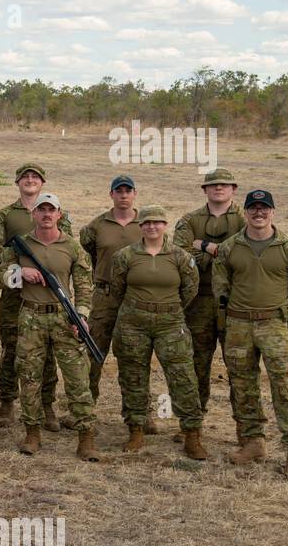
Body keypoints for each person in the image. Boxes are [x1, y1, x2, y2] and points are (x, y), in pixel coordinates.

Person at [214, 189, 288, 480]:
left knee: (284, 386)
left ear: (272, 211)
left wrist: (284, 319)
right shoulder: (230, 248)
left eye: (264, 207)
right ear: (245, 212)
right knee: (243, 386)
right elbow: (221, 288)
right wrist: (231, 320)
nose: (259, 212)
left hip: (274, 325)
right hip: (238, 325)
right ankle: (253, 442)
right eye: (254, 208)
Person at [0, 192, 98, 462]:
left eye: (52, 210)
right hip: (31, 317)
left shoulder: (72, 247)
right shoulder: (20, 246)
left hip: (65, 317)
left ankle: (86, 437)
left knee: (77, 378)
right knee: (29, 377)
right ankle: (32, 433)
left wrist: (82, 315)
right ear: (34, 214)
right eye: (42, 210)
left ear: (59, 215)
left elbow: (84, 286)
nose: (47, 214)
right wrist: (19, 273)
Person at [107, 206, 206, 459]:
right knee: (133, 376)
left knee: (183, 377)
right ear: (140, 226)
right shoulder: (125, 256)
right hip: (132, 323)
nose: (152, 227)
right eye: (147, 223)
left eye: (157, 222)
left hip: (170, 323)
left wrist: (167, 308)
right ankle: (136, 429)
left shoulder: (180, 256)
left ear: (165, 225)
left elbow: (190, 289)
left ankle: (192, 434)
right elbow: (117, 288)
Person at [0, 164, 72, 431]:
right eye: (25, 176)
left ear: (42, 182)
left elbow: (65, 249)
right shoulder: (4, 216)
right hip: (14, 295)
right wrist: (21, 272)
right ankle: (7, 399)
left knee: (46, 351)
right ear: (17, 182)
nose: (30, 180)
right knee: (12, 346)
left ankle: (47, 404)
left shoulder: (58, 213)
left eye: (35, 176)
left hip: (47, 294)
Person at [173, 168, 245, 428]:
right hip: (199, 301)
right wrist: (220, 253)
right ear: (204, 189)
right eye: (213, 185)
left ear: (233, 189)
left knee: (240, 366)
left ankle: (245, 428)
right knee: (196, 365)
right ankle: (192, 425)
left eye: (225, 184)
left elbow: (246, 254)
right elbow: (181, 257)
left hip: (235, 303)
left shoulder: (246, 219)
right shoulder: (189, 220)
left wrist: (204, 245)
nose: (219, 188)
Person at [80, 175, 144, 419]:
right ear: (111, 194)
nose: (124, 195)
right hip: (104, 296)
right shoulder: (96, 226)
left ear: (135, 194)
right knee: (93, 351)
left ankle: (139, 411)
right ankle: (85, 407)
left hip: (135, 296)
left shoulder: (146, 223)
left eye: (128, 190)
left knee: (135, 355)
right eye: (119, 191)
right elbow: (90, 251)